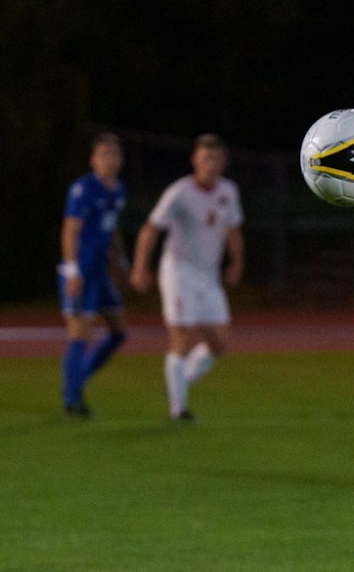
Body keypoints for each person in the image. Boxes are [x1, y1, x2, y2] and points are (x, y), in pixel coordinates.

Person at [131, 134, 243, 421]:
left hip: (209, 275)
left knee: (219, 343)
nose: (212, 164)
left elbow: (232, 228)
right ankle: (178, 408)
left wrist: (237, 261)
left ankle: (180, 379)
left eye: (217, 159)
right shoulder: (179, 192)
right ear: (195, 160)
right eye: (206, 158)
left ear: (224, 162)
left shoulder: (229, 191)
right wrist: (140, 267)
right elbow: (150, 229)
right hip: (179, 271)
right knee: (181, 336)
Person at [59, 132, 130, 417]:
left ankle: (77, 380)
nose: (109, 160)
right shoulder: (82, 189)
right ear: (92, 160)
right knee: (80, 333)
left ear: (120, 160)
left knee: (118, 331)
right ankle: (72, 400)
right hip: (81, 270)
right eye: (103, 155)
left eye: (113, 155)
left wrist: (122, 260)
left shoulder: (119, 190)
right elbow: (70, 230)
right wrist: (73, 270)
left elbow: (112, 228)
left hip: (101, 272)